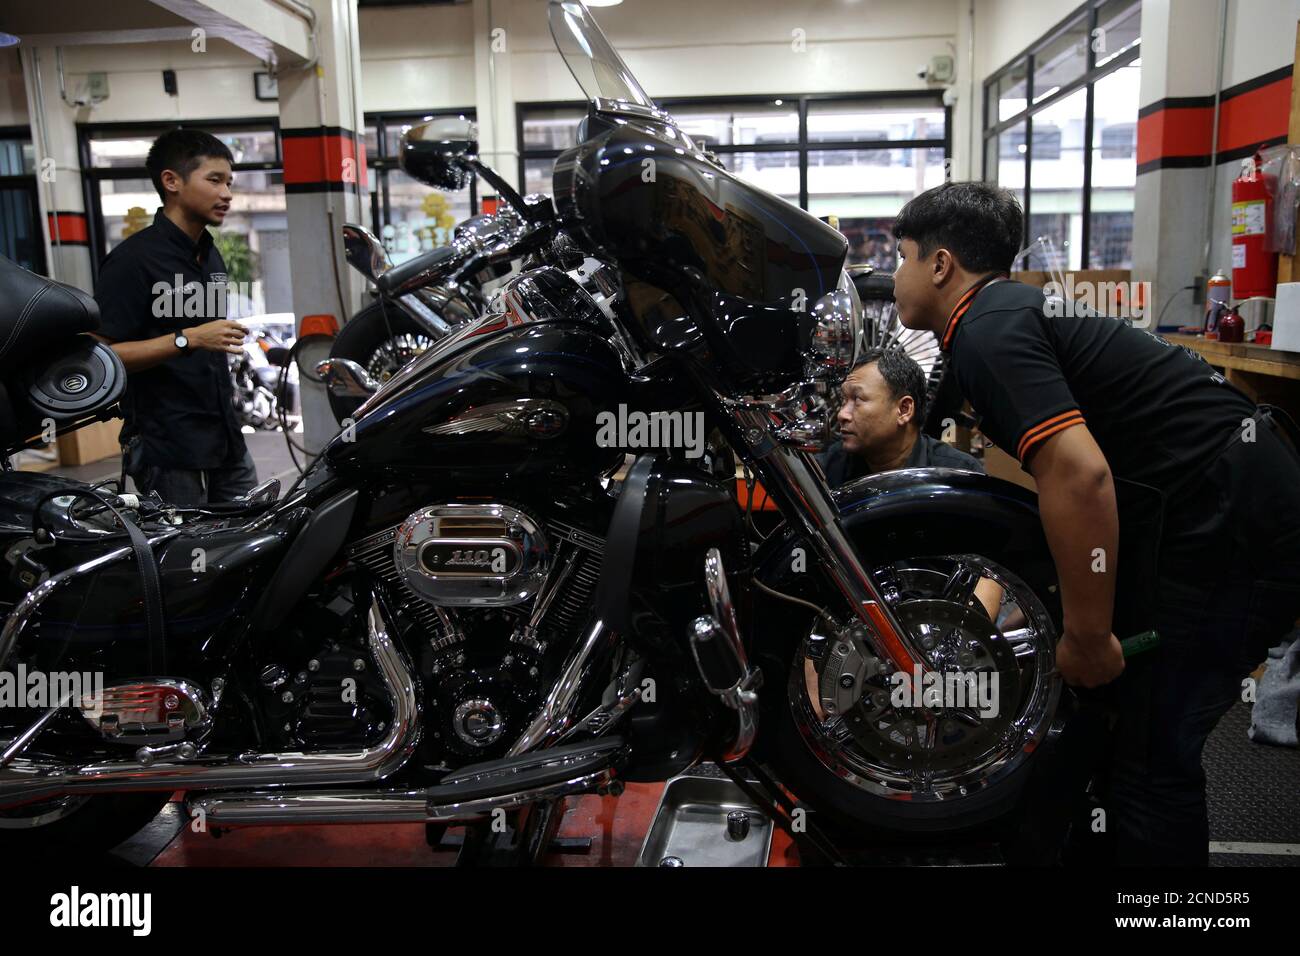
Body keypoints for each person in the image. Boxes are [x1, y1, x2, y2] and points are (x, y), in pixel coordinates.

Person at [890, 180, 1300, 865]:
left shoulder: (988, 330)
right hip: (1212, 505)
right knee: (1123, 723)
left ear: (939, 265)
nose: (893, 274)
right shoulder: (1000, 316)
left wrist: (1085, 635)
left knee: (1152, 748)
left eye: (901, 256)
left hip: (1235, 518)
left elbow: (1079, 477)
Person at [92, 128, 258, 506]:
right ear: (172, 182)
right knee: (185, 559)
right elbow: (102, 359)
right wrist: (190, 339)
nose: (227, 193)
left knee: (248, 541)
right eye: (214, 180)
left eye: (229, 182)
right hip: (168, 446)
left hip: (225, 436)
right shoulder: (133, 261)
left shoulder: (211, 255)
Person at [819, 346, 980, 487]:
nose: (842, 414)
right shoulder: (826, 470)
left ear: (904, 410)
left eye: (858, 399)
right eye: (844, 400)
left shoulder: (958, 476)